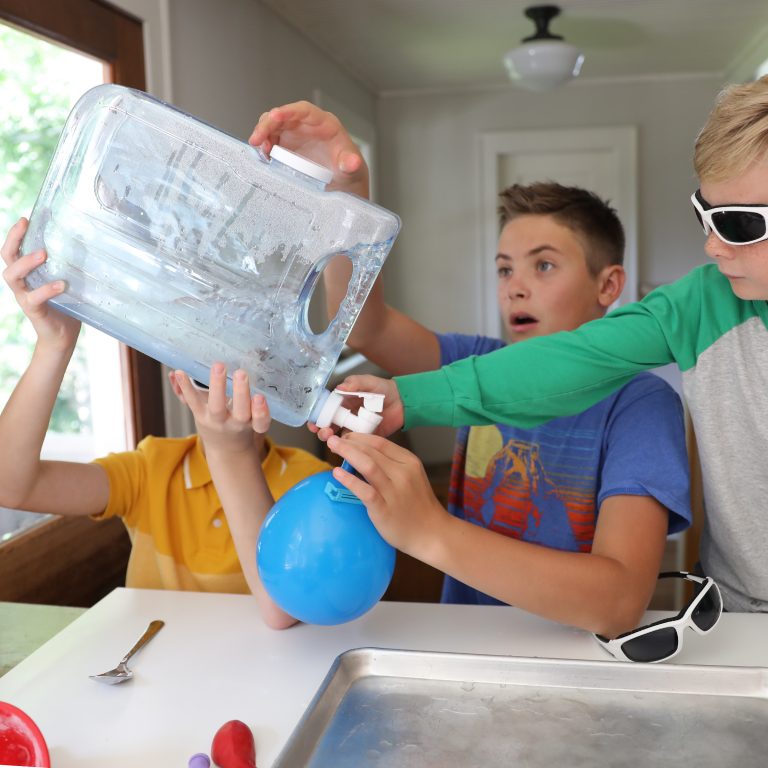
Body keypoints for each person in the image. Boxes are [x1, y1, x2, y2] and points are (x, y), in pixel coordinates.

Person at [275, 75, 768, 615]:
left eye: (740, 223)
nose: (711, 245)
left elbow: (620, 595)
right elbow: (367, 328)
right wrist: (347, 199)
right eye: (505, 268)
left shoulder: (640, 407)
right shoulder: (702, 302)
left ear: (609, 286)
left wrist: (431, 531)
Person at [0, 218, 330, 629]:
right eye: (204, 367)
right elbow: (11, 485)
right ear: (179, 382)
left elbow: (288, 609)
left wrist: (233, 452)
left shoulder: (312, 485)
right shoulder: (150, 470)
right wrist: (55, 344)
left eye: (246, 368)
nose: (225, 383)